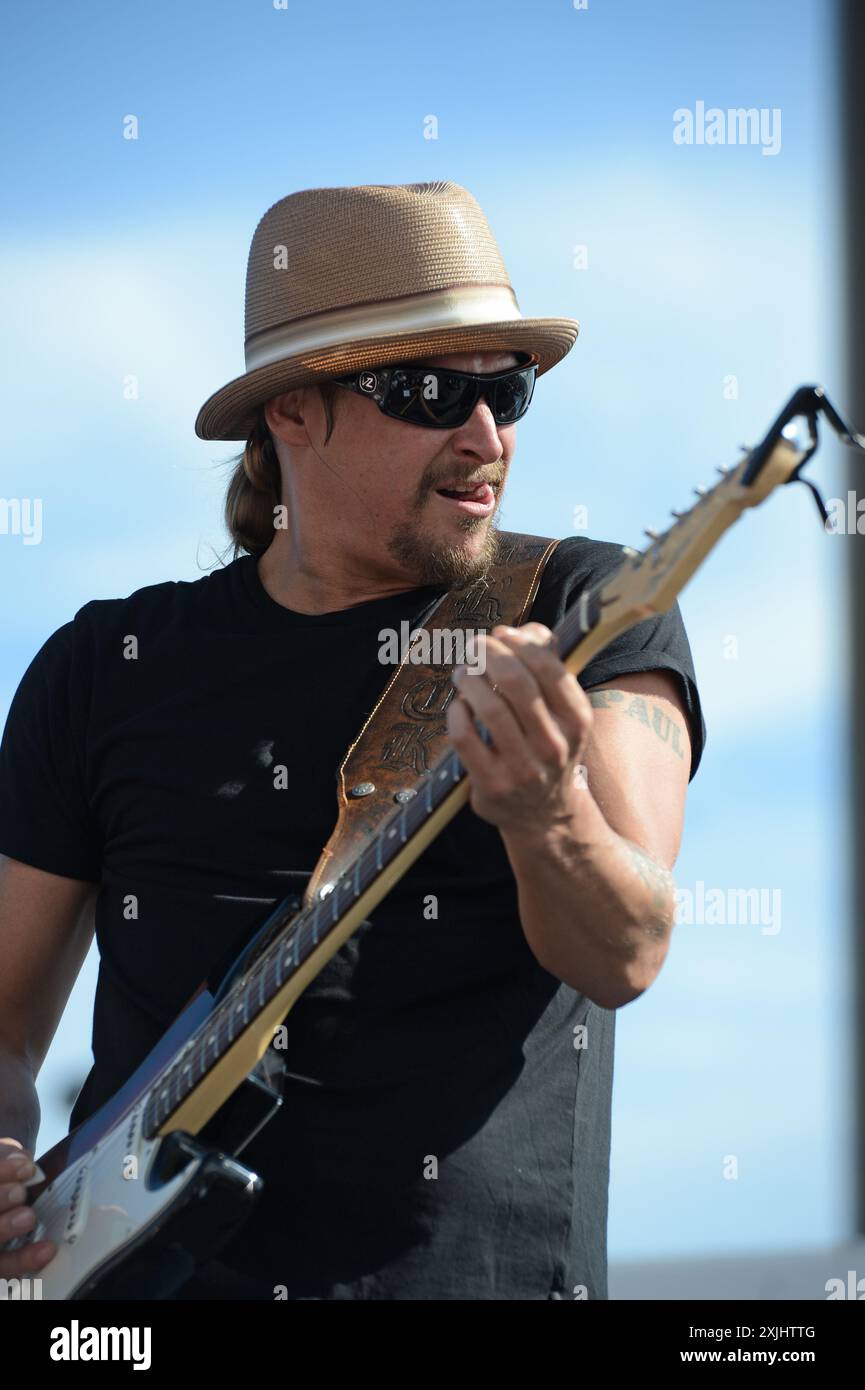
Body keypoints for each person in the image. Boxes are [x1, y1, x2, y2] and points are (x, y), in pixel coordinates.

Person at [0, 181, 705, 1300]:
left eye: (507, 391)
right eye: (432, 392)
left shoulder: (580, 605)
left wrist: (544, 809)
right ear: (291, 412)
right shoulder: (101, 667)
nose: (487, 436)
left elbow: (625, 950)